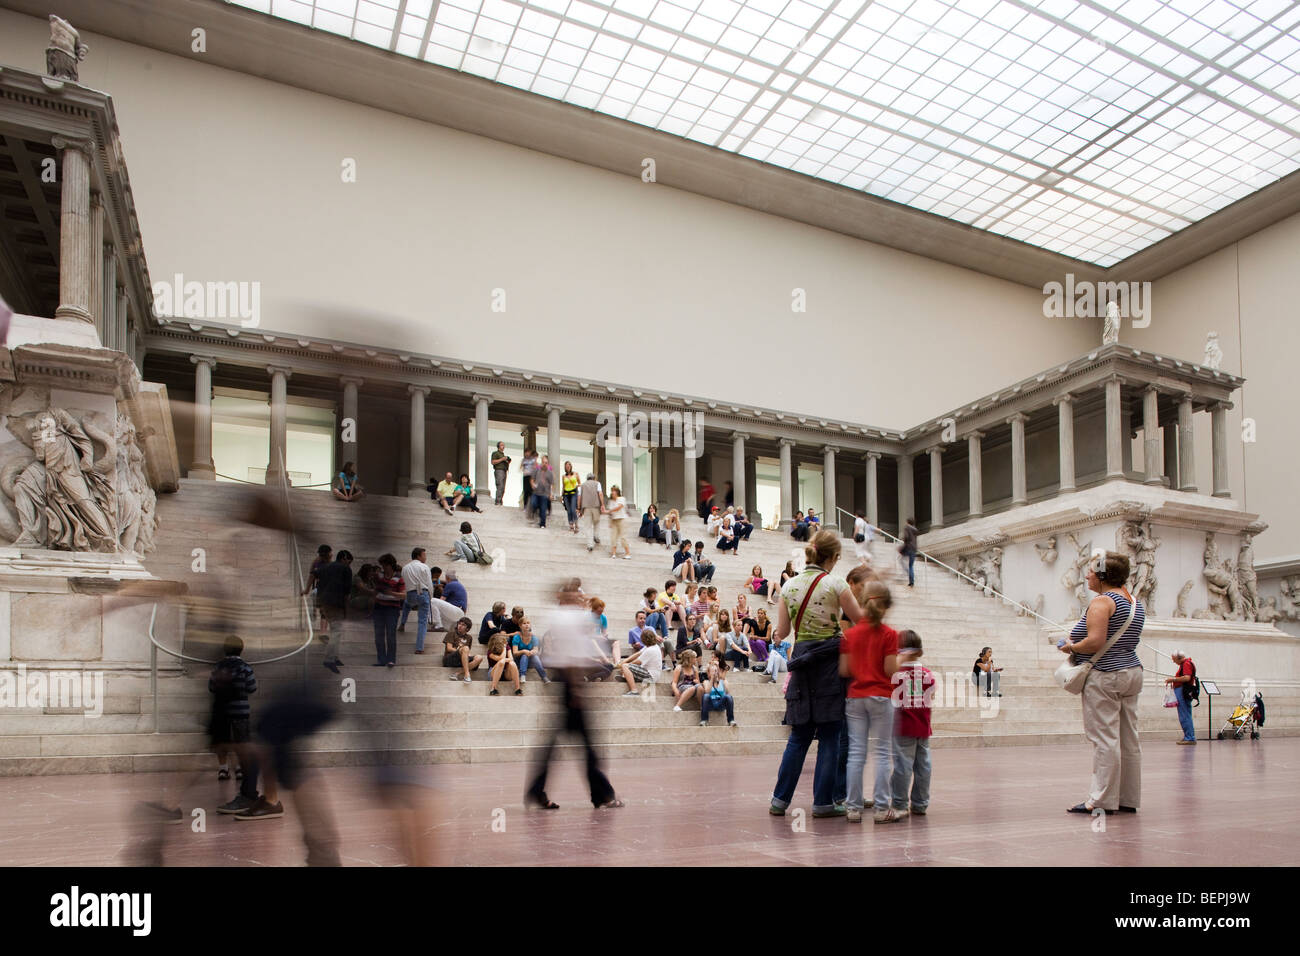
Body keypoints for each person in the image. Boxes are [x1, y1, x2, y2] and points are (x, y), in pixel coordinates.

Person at [769, 530, 864, 818]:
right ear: (833, 557)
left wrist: (775, 634)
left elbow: (782, 633)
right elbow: (859, 620)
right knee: (831, 734)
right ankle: (823, 802)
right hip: (829, 662)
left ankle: (779, 800)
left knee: (799, 735)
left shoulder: (789, 586)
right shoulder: (835, 583)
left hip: (802, 659)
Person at [1058, 551, 1145, 816]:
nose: (1087, 575)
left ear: (1103, 575)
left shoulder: (1102, 602)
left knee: (1104, 739)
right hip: (1131, 670)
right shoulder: (1134, 602)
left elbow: (1095, 641)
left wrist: (1072, 646)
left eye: (1092, 572)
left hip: (1106, 674)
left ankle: (1101, 800)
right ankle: (1128, 797)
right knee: (1128, 738)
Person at [525, 580, 623, 809]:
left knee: (557, 745)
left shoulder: (560, 616)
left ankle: (537, 790)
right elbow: (572, 658)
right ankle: (603, 795)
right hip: (572, 684)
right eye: (576, 594)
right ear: (565, 596)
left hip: (566, 682)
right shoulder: (571, 618)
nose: (581, 596)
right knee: (588, 747)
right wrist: (577, 689)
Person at [840, 579, 900, 823]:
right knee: (883, 752)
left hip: (855, 696)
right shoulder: (890, 634)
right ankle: (881, 808)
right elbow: (889, 670)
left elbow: (844, 670)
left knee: (856, 753)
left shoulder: (850, 634)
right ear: (885, 607)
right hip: (881, 695)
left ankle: (853, 807)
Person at [211, 636, 260, 815]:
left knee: (223, 741)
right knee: (242, 743)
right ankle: (239, 768)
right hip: (241, 711)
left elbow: (211, 687)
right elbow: (252, 687)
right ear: (242, 650)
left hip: (223, 711)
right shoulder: (245, 667)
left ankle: (223, 768)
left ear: (224, 650)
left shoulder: (218, 667)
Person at [891, 629, 934, 818]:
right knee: (923, 765)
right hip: (923, 726)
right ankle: (920, 803)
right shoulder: (927, 674)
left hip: (903, 726)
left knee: (902, 766)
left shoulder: (896, 674)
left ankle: (900, 802)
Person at [315, 549, 353, 674]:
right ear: (344, 558)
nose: (349, 564)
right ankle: (329, 659)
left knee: (335, 631)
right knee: (336, 632)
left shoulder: (326, 567)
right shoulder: (346, 569)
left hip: (325, 604)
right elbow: (347, 593)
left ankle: (335, 657)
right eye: (349, 561)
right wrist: (348, 610)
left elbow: (316, 578)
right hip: (336, 604)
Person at [371, 553, 404, 668]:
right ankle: (381, 659)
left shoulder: (399, 578)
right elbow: (375, 591)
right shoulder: (379, 577)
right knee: (378, 635)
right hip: (379, 608)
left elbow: (404, 595)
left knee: (391, 634)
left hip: (392, 609)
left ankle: (391, 659)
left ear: (390, 565)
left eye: (385, 565)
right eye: (382, 566)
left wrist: (391, 593)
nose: (383, 568)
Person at [399, 547, 435, 654]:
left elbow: (404, 582)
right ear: (419, 556)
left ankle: (402, 623)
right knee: (422, 622)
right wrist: (431, 597)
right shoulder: (424, 567)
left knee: (407, 604)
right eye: (424, 555)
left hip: (410, 594)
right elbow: (429, 584)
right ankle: (419, 647)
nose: (425, 557)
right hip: (423, 593)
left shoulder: (405, 568)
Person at [1166, 652, 1198, 744]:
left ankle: (1189, 737)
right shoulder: (1186, 663)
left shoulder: (1186, 664)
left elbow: (1187, 678)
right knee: (1185, 714)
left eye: (1174, 659)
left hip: (1183, 691)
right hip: (1184, 691)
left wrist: (1173, 679)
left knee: (1184, 715)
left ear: (1178, 658)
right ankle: (1189, 736)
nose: (1173, 661)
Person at [443, 617, 484, 683]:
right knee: (465, 648)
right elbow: (449, 648)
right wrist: (461, 651)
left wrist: (465, 652)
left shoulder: (469, 637)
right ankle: (467, 675)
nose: (460, 626)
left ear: (467, 629)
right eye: (459, 624)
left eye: (463, 625)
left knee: (479, 657)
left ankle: (457, 673)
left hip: (461, 660)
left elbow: (466, 652)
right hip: (450, 659)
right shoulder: (451, 633)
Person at [511, 618, 550, 684]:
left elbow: (536, 650)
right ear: (520, 626)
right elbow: (514, 653)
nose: (526, 625)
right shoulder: (517, 637)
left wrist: (532, 652)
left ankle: (544, 676)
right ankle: (522, 676)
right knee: (524, 655)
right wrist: (524, 651)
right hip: (519, 661)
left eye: (528, 623)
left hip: (531, 661)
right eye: (524, 623)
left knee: (534, 656)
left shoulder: (534, 637)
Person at [700, 658, 736, 726]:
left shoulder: (723, 681)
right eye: (712, 671)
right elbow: (707, 692)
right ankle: (704, 720)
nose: (715, 672)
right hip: (710, 703)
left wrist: (720, 679)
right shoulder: (706, 682)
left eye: (716, 671)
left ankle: (731, 720)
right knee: (705, 696)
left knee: (728, 697)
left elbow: (728, 693)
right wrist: (712, 678)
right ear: (708, 673)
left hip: (720, 703)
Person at [485, 632, 522, 696]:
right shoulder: (490, 651)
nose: (505, 642)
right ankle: (493, 689)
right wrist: (504, 648)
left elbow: (511, 659)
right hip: (493, 673)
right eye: (503, 642)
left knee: (512, 664)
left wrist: (505, 650)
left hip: (506, 673)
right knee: (501, 662)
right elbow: (501, 658)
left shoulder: (508, 647)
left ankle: (517, 689)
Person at [577, 472, 605, 552]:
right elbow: (600, 494)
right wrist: (602, 504)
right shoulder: (597, 484)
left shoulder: (582, 486)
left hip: (586, 508)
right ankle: (596, 535)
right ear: (594, 478)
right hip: (596, 507)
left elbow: (579, 497)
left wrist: (578, 508)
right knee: (597, 522)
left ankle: (590, 545)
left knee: (588, 526)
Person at [607, 484, 631, 559]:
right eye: (612, 491)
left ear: (617, 492)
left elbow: (619, 507)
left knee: (623, 537)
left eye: (614, 491)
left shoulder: (621, 499)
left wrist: (608, 511)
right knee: (613, 537)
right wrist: (610, 522)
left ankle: (628, 553)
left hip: (622, 519)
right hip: (614, 520)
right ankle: (613, 554)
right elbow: (610, 513)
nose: (613, 492)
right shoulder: (610, 501)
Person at [531, 455, 555, 528]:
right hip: (536, 492)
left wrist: (551, 494)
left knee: (543, 508)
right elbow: (532, 479)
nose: (544, 464)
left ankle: (542, 524)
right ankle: (536, 511)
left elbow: (552, 484)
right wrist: (532, 484)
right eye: (543, 462)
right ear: (541, 462)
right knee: (533, 503)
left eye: (546, 463)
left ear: (548, 464)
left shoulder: (550, 473)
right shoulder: (536, 470)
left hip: (545, 494)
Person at [561, 461, 581, 534]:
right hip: (566, 494)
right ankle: (571, 524)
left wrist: (576, 486)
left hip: (573, 493)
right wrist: (561, 495)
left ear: (571, 466)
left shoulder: (575, 474)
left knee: (573, 509)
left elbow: (579, 483)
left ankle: (576, 523)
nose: (567, 467)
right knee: (568, 510)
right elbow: (563, 486)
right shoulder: (564, 476)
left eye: (568, 466)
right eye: (566, 466)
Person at [899, 517, 919, 587]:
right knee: (911, 566)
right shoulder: (915, 530)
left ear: (907, 522)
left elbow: (906, 538)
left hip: (908, 548)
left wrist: (902, 546)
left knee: (901, 560)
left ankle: (907, 573)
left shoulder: (907, 527)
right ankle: (911, 581)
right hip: (914, 549)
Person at [491, 441, 511, 505]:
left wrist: (507, 461)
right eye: (502, 445)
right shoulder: (495, 453)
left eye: (504, 445)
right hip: (499, 470)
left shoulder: (503, 455)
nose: (503, 446)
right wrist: (502, 459)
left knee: (503, 488)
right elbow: (493, 462)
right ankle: (498, 502)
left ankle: (500, 501)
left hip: (504, 471)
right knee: (500, 486)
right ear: (498, 446)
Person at [520, 448, 539, 517]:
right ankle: (525, 506)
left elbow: (536, 466)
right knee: (526, 491)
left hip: (531, 477)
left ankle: (533, 506)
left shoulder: (533, 460)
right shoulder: (524, 460)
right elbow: (521, 467)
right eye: (526, 452)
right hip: (525, 476)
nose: (527, 454)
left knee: (531, 492)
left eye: (528, 452)